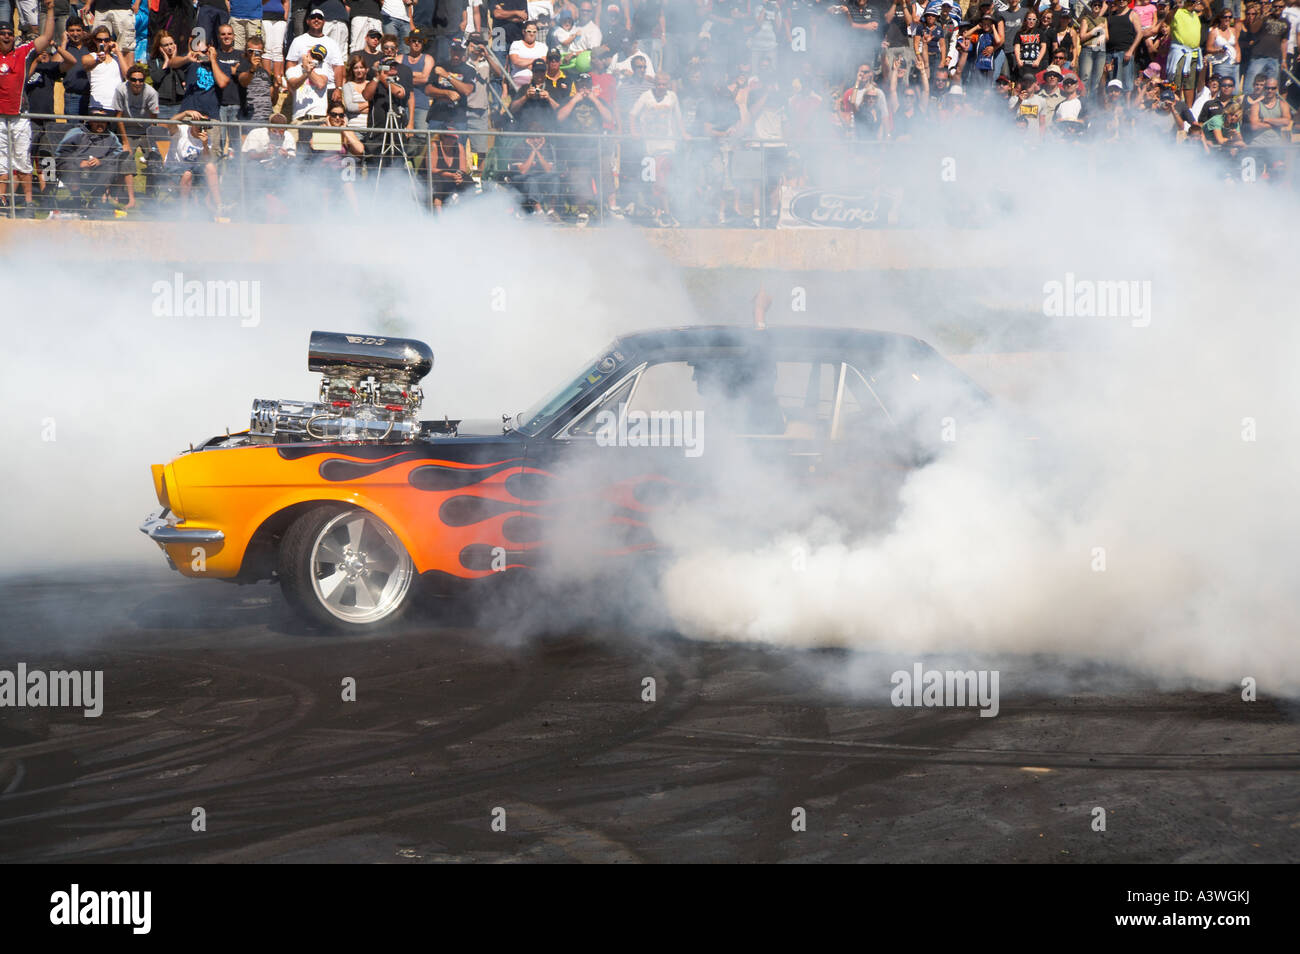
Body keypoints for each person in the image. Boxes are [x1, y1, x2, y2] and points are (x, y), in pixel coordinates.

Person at [0, 3, 55, 214]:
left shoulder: (23, 53)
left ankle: (29, 203)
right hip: (0, 117)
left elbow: (47, 36)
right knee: (1, 162)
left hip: (20, 115)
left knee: (22, 160)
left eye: (10, 34)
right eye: (3, 34)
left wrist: (50, 10)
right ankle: (2, 201)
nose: (7, 37)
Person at [54, 106, 137, 211]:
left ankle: (94, 200)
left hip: (97, 170)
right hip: (76, 168)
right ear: (90, 122)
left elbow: (117, 154)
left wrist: (101, 161)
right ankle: (77, 200)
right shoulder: (75, 133)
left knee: (110, 169)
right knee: (69, 167)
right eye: (97, 121)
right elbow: (60, 153)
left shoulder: (111, 137)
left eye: (103, 122)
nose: (100, 124)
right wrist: (79, 162)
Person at [164, 109, 224, 214]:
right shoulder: (182, 131)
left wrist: (205, 145)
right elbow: (170, 123)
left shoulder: (206, 138)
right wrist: (185, 113)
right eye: (198, 124)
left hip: (193, 170)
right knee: (187, 173)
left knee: (211, 167)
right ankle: (184, 211)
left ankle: (219, 205)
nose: (201, 128)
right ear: (192, 124)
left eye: (204, 125)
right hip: (175, 168)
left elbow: (206, 160)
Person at [287, 8, 346, 86]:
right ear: (307, 21)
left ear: (324, 22)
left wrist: (338, 88)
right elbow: (291, 64)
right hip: (304, 85)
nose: (316, 20)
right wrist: (291, 85)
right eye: (313, 17)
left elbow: (338, 67)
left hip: (328, 86)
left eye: (319, 18)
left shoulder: (332, 43)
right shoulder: (298, 41)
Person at [111, 62, 158, 152]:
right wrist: (125, 142)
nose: (137, 83)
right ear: (128, 79)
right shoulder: (121, 89)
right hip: (127, 130)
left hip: (145, 131)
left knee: (154, 160)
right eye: (134, 80)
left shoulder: (151, 93)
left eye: (141, 80)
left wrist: (152, 140)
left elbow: (154, 119)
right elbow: (118, 117)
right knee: (126, 160)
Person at [82, 23, 128, 111]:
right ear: (95, 41)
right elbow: (86, 66)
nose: (103, 43)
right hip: (97, 105)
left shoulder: (117, 59)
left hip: (117, 106)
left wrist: (118, 52)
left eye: (106, 40)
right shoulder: (90, 57)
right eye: (99, 40)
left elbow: (127, 76)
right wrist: (97, 61)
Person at [147, 29, 186, 119]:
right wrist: (167, 62)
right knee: (162, 132)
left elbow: (183, 77)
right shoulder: (155, 61)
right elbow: (156, 79)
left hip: (178, 104)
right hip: (162, 104)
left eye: (171, 44)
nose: (169, 47)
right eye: (166, 45)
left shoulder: (181, 60)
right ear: (160, 47)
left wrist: (174, 60)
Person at [90, 0, 136, 66]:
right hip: (101, 8)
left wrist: (137, 3)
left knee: (126, 45)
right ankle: (102, 70)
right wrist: (88, 4)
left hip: (123, 7)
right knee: (99, 42)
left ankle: (128, 74)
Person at [1208, 9, 1242, 83]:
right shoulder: (1214, 32)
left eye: (1230, 17)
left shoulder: (1233, 30)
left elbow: (1236, 46)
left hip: (1234, 63)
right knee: (1222, 88)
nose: (1228, 19)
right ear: (1220, 18)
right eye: (1225, 17)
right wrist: (1218, 50)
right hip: (1221, 63)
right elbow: (1208, 48)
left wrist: (1238, 61)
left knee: (1234, 91)